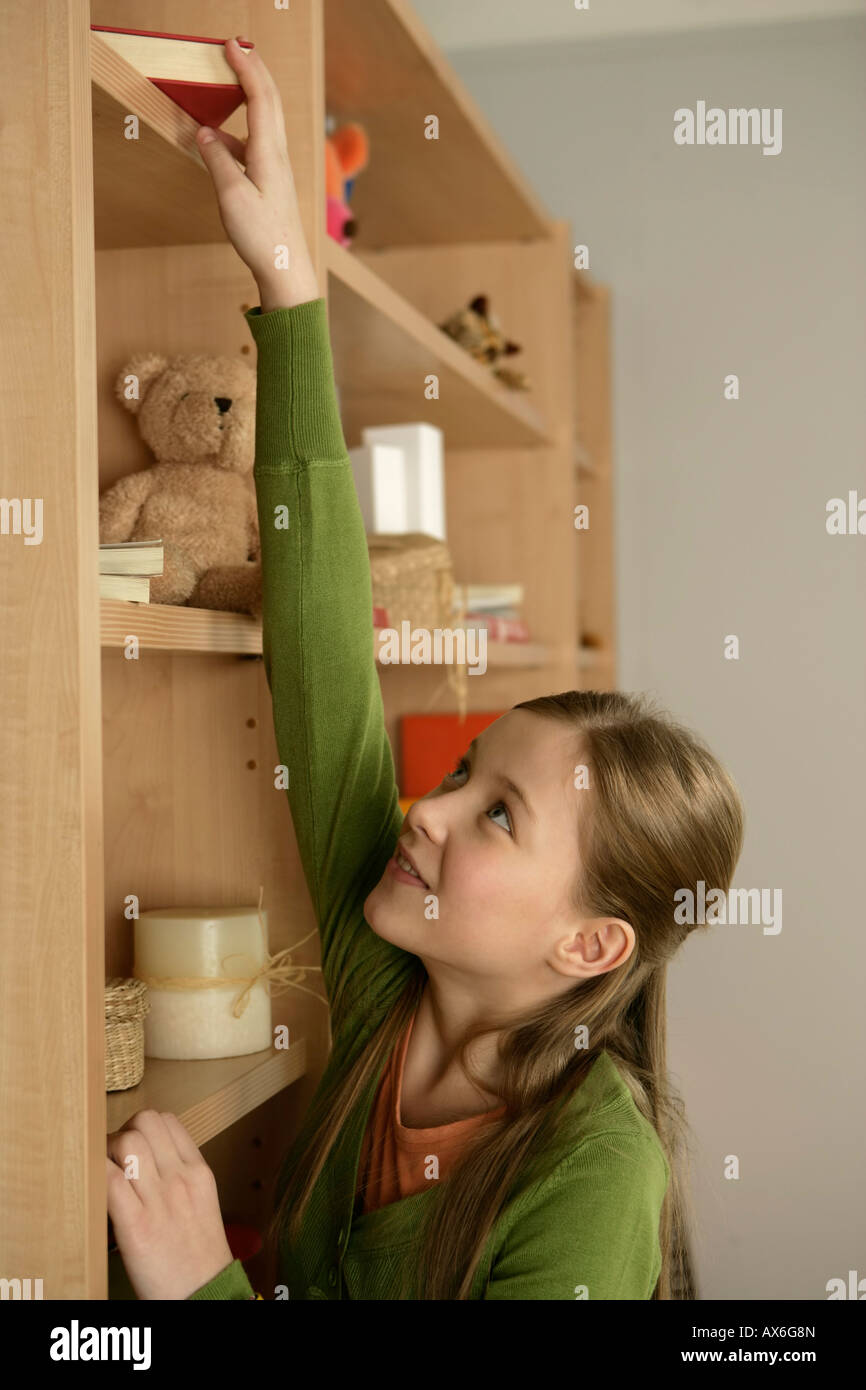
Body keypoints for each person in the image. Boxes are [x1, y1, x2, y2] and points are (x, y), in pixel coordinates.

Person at [106, 37, 744, 1302]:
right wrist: (286, 282)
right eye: (463, 774)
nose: (426, 808)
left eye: (494, 814)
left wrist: (200, 1289)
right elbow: (329, 661)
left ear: (586, 942)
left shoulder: (590, 1174)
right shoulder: (387, 976)